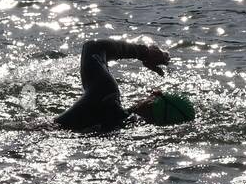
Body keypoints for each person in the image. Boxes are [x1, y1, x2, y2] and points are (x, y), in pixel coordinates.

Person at [56, 37, 195, 132]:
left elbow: (94, 47)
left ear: (156, 95)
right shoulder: (116, 129)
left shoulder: (107, 94)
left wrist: (143, 52)